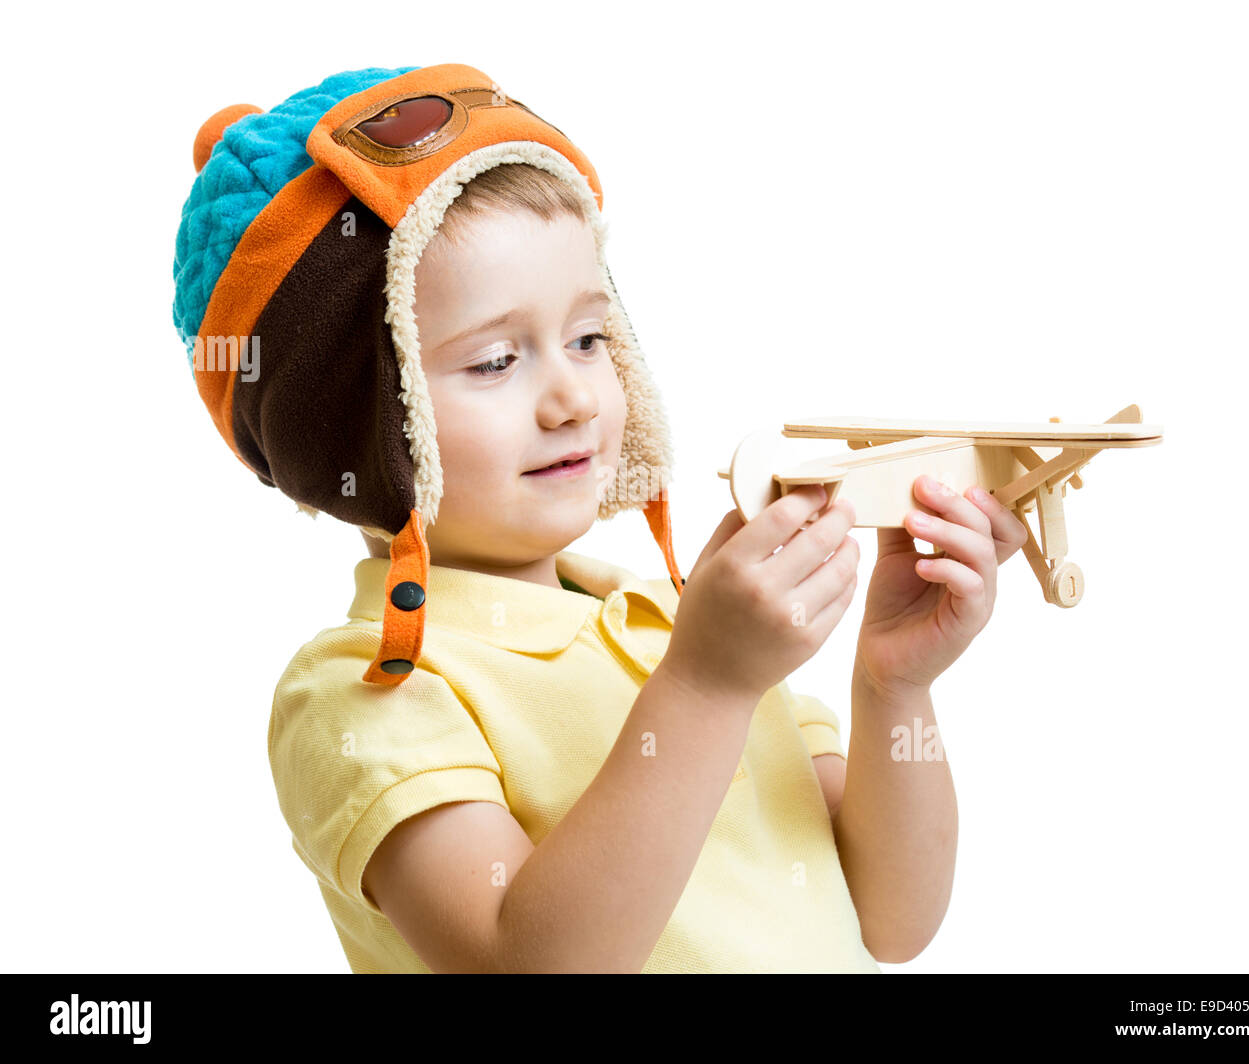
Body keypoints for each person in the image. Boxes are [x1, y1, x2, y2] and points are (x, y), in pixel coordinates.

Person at [173, 63, 1028, 974]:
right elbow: (528, 963)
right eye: (498, 360)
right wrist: (705, 689)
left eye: (589, 337)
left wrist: (894, 686)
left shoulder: (675, 620)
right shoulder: (368, 689)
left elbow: (892, 923)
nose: (575, 397)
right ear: (354, 422)